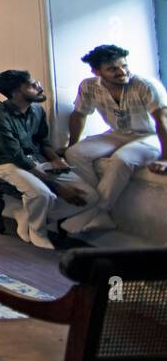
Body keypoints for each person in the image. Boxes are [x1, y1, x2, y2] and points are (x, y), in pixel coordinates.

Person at [0, 70, 101, 249]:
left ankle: (28, 216)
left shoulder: (36, 111)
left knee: (90, 196)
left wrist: (55, 159)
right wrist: (58, 188)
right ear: (16, 92)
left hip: (34, 160)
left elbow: (42, 141)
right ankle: (38, 231)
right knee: (42, 194)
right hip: (4, 163)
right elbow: (15, 156)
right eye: (32, 85)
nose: (39, 87)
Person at [64, 44, 167, 232]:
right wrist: (72, 143)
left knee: (121, 159)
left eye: (124, 66)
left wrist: (165, 158)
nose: (122, 72)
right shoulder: (89, 86)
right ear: (97, 71)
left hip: (151, 136)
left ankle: (99, 210)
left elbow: (163, 121)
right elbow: (79, 114)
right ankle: (99, 211)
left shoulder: (145, 85)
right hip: (118, 133)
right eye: (112, 69)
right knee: (74, 153)